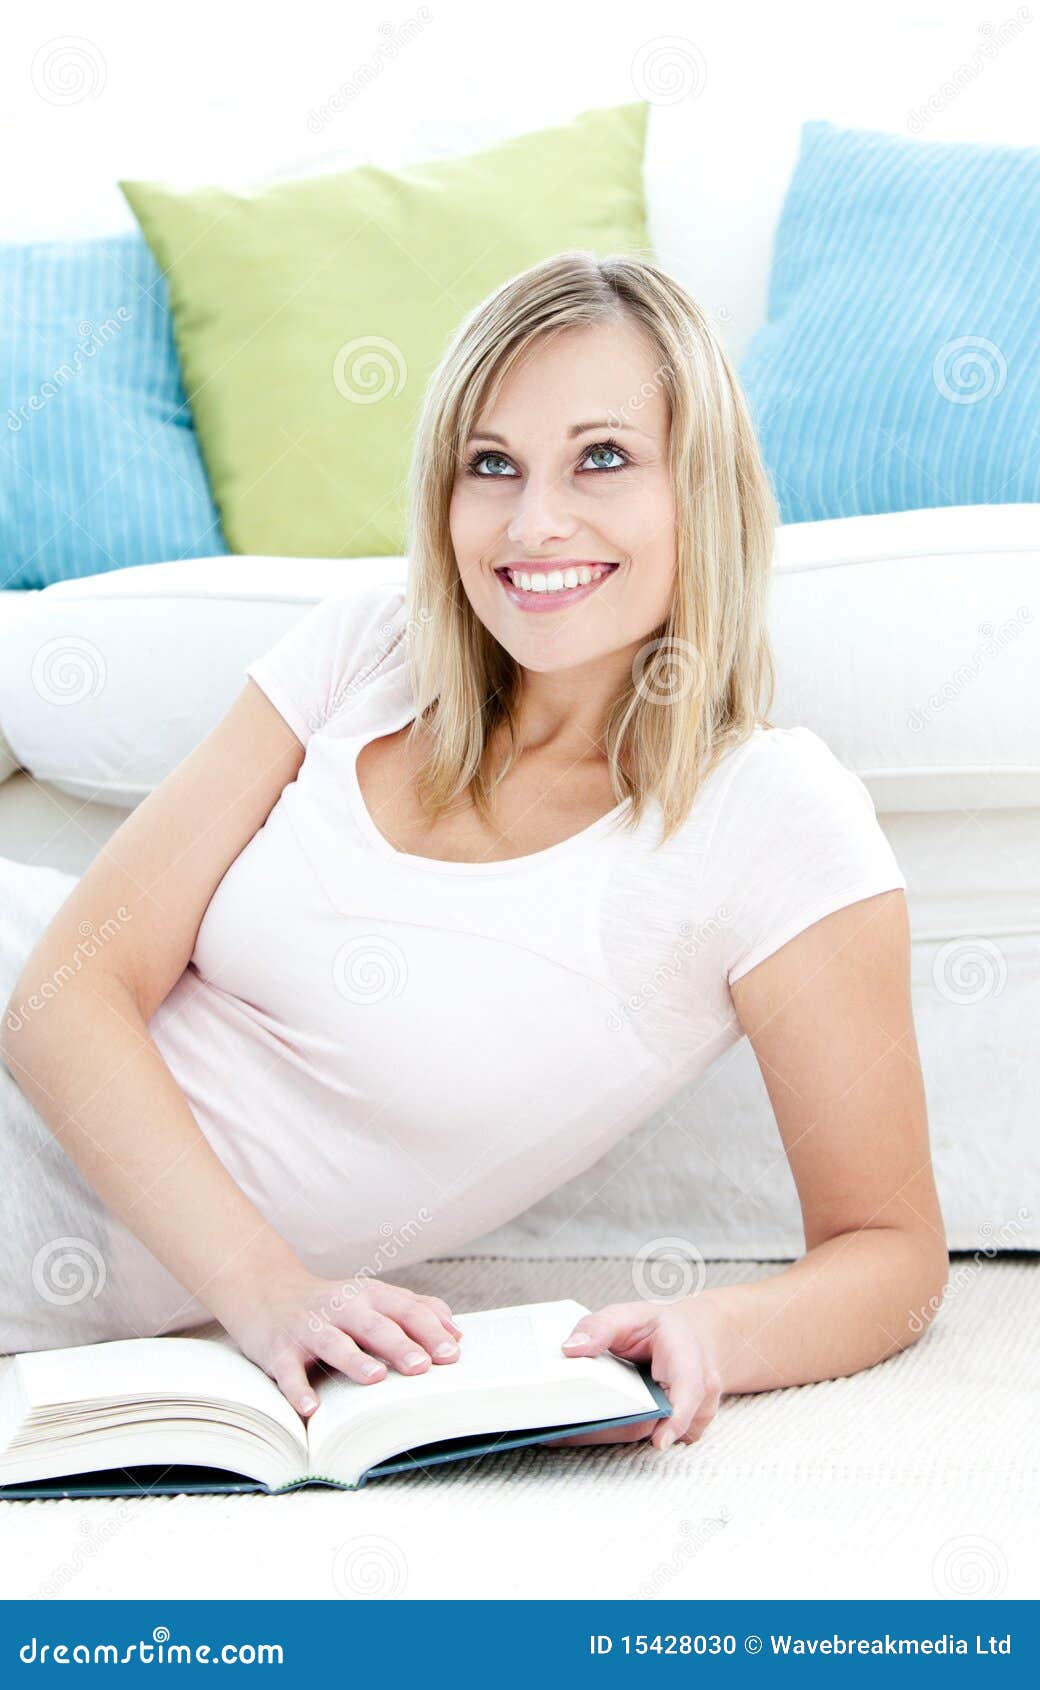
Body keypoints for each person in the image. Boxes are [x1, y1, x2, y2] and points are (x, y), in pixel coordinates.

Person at [0, 251, 948, 1454]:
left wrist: (713, 1328)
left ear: (696, 488)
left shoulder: (770, 820)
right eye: (488, 465)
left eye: (600, 457)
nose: (532, 520)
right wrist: (266, 1289)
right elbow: (66, 984)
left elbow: (891, 1250)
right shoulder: (367, 650)